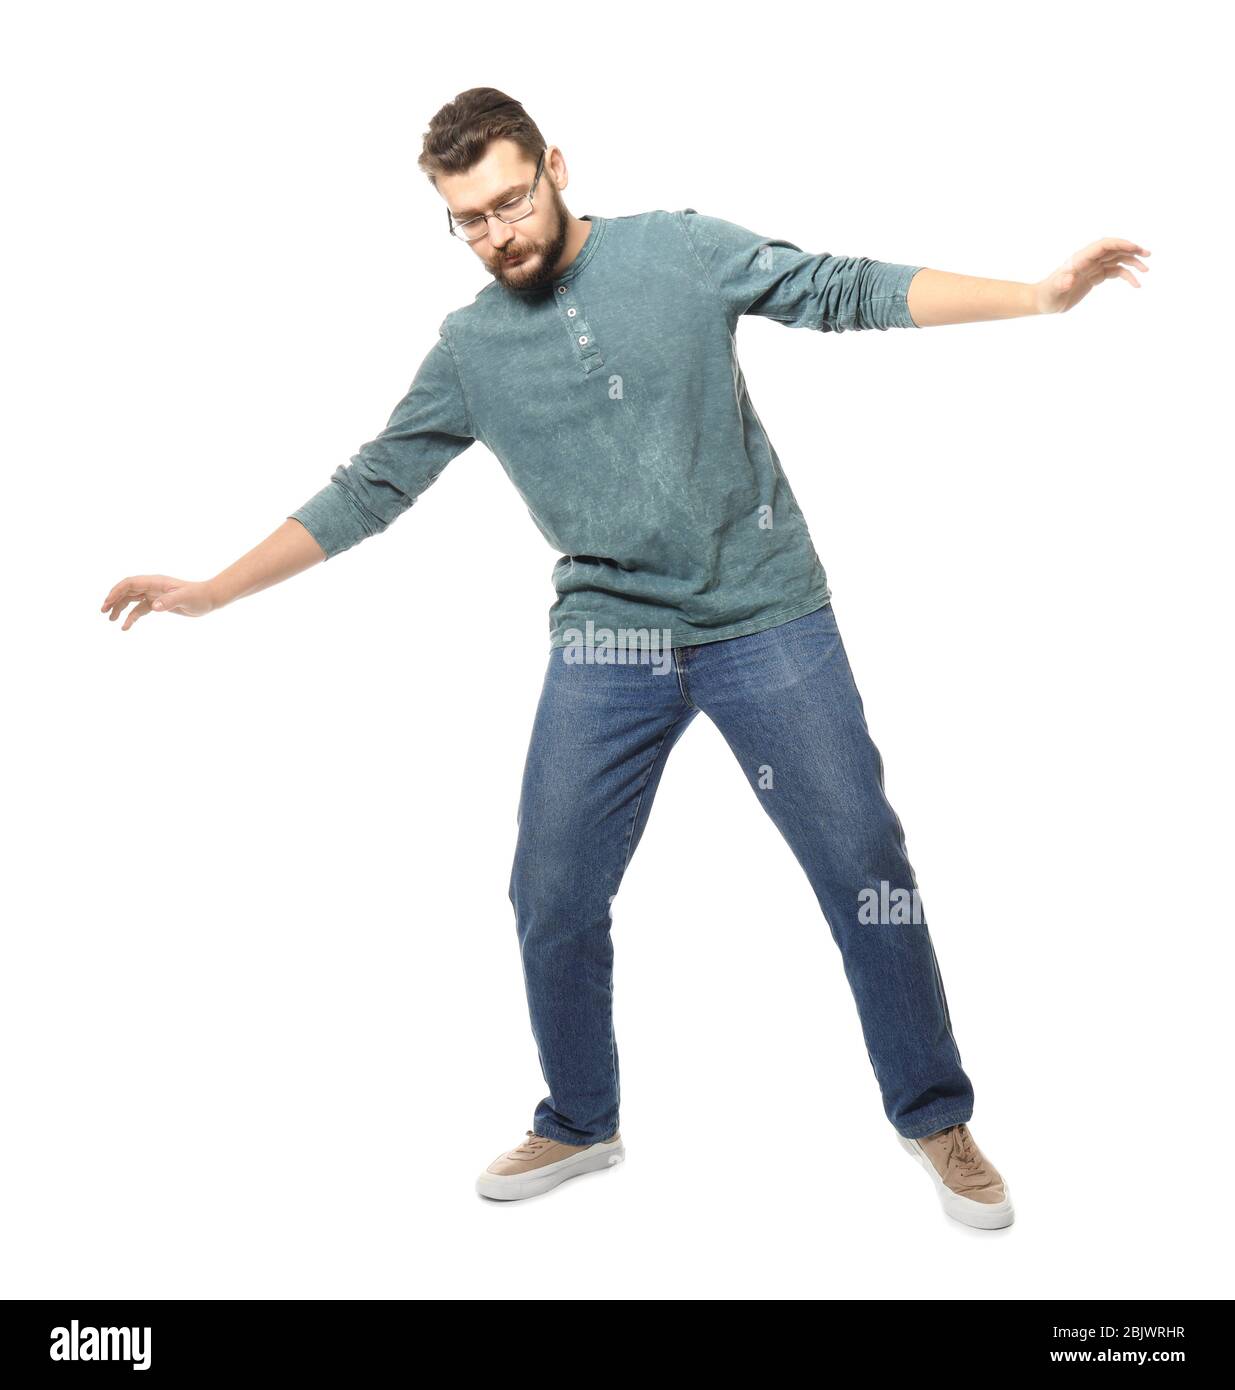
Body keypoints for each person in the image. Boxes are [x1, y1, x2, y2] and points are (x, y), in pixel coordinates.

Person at [100, 87, 1149, 1230]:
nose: (498, 232)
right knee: (550, 889)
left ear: (554, 165)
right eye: (469, 219)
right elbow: (371, 486)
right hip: (609, 639)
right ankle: (580, 1117)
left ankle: (932, 1112)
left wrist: (1037, 297)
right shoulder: (469, 348)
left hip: (764, 617)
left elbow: (838, 287)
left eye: (511, 199)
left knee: (864, 870)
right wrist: (211, 589)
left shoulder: (678, 253)